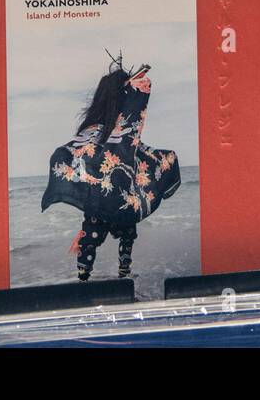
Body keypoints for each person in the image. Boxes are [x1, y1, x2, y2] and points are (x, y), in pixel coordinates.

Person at [42, 57, 180, 281]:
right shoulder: (116, 130)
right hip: (123, 196)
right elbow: (134, 121)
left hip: (100, 198)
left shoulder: (97, 129)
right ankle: (123, 275)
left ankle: (84, 280)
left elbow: (85, 151)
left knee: (91, 237)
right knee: (125, 233)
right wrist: (138, 93)